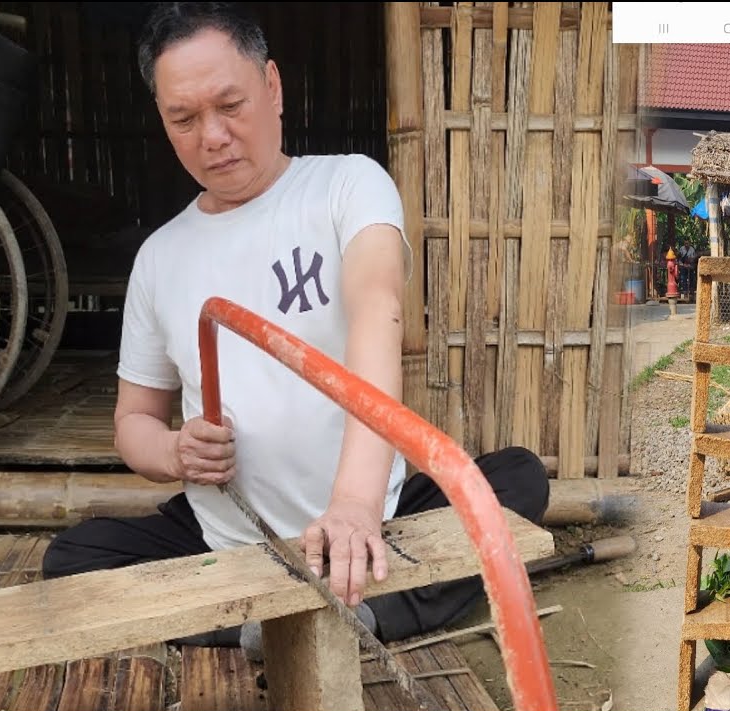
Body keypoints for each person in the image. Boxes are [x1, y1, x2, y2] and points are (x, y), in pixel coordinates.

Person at [40, 2, 549, 652]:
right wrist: (173, 452)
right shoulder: (160, 258)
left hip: (377, 517)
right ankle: (285, 623)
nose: (213, 136)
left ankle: (338, 617)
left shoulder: (346, 185)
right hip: (228, 540)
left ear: (273, 86)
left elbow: (377, 311)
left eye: (230, 105)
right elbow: (133, 421)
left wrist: (356, 504)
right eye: (184, 119)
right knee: (74, 557)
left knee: (516, 480)